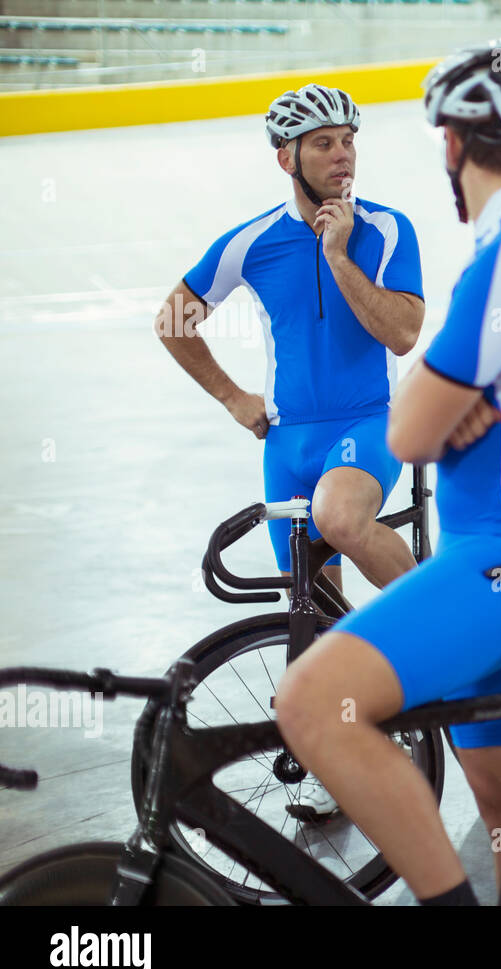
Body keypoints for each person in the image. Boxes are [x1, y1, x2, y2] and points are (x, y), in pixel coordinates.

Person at [273, 43, 501, 906]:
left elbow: (410, 429)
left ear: (453, 145)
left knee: (312, 705)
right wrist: (447, 403)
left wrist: (438, 405)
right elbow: (426, 407)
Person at [155, 84, 426, 819]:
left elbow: (403, 333)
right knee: (311, 623)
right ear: (287, 158)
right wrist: (233, 398)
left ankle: (434, 634)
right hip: (288, 441)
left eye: (348, 140)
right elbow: (173, 319)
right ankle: (352, 758)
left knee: (341, 516)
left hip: (365, 424)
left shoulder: (386, 228)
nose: (343, 156)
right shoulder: (252, 241)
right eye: (323, 144)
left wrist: (338, 256)